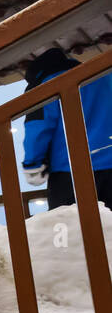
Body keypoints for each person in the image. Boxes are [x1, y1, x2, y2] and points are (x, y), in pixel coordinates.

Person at [21, 46, 112, 210]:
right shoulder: (104, 76)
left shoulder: (45, 84)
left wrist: (32, 165)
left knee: (73, 229)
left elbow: (37, 126)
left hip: (72, 170)